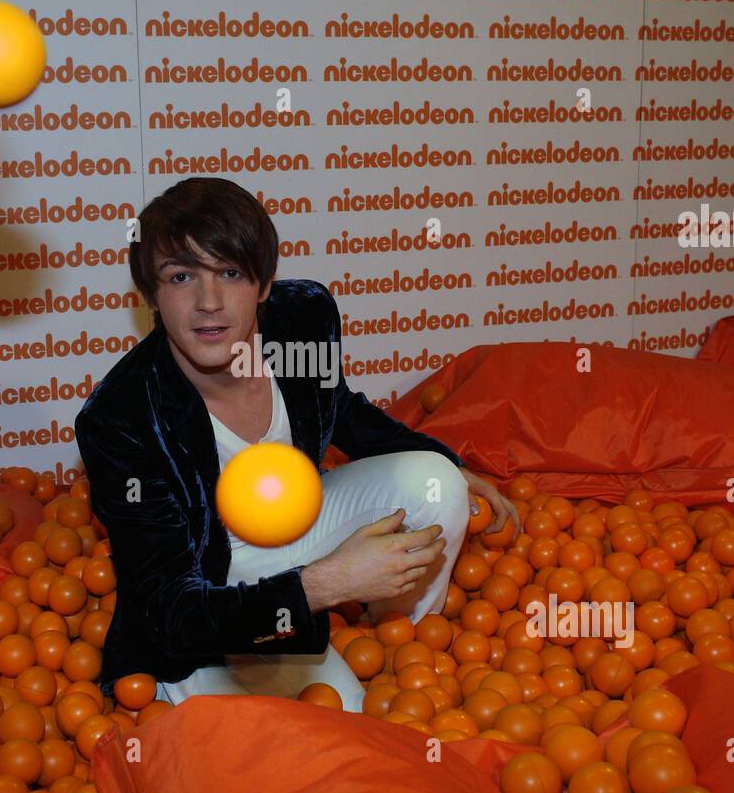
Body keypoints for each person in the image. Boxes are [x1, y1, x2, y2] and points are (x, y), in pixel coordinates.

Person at [74, 177, 518, 714]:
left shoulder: (300, 318)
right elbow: (168, 611)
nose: (208, 303)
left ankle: (402, 637)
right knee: (331, 718)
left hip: (307, 523)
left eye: (231, 273)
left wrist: (448, 462)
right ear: (151, 294)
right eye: (182, 276)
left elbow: (341, 409)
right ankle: (332, 627)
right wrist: (326, 585)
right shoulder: (121, 418)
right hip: (215, 578)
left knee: (433, 481)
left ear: (262, 284)